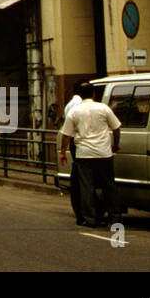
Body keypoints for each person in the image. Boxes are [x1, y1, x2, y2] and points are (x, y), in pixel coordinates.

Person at [59, 82, 121, 228]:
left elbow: (66, 135)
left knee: (87, 186)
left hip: (84, 154)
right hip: (104, 152)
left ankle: (90, 218)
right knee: (109, 185)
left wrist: (63, 152)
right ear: (94, 94)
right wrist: (116, 144)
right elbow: (117, 127)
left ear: (79, 95)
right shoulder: (103, 108)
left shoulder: (74, 111)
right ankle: (115, 217)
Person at [63, 80, 89, 225]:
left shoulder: (70, 104)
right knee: (83, 179)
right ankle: (82, 212)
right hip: (80, 142)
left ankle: (81, 211)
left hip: (76, 141)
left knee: (78, 177)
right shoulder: (79, 105)